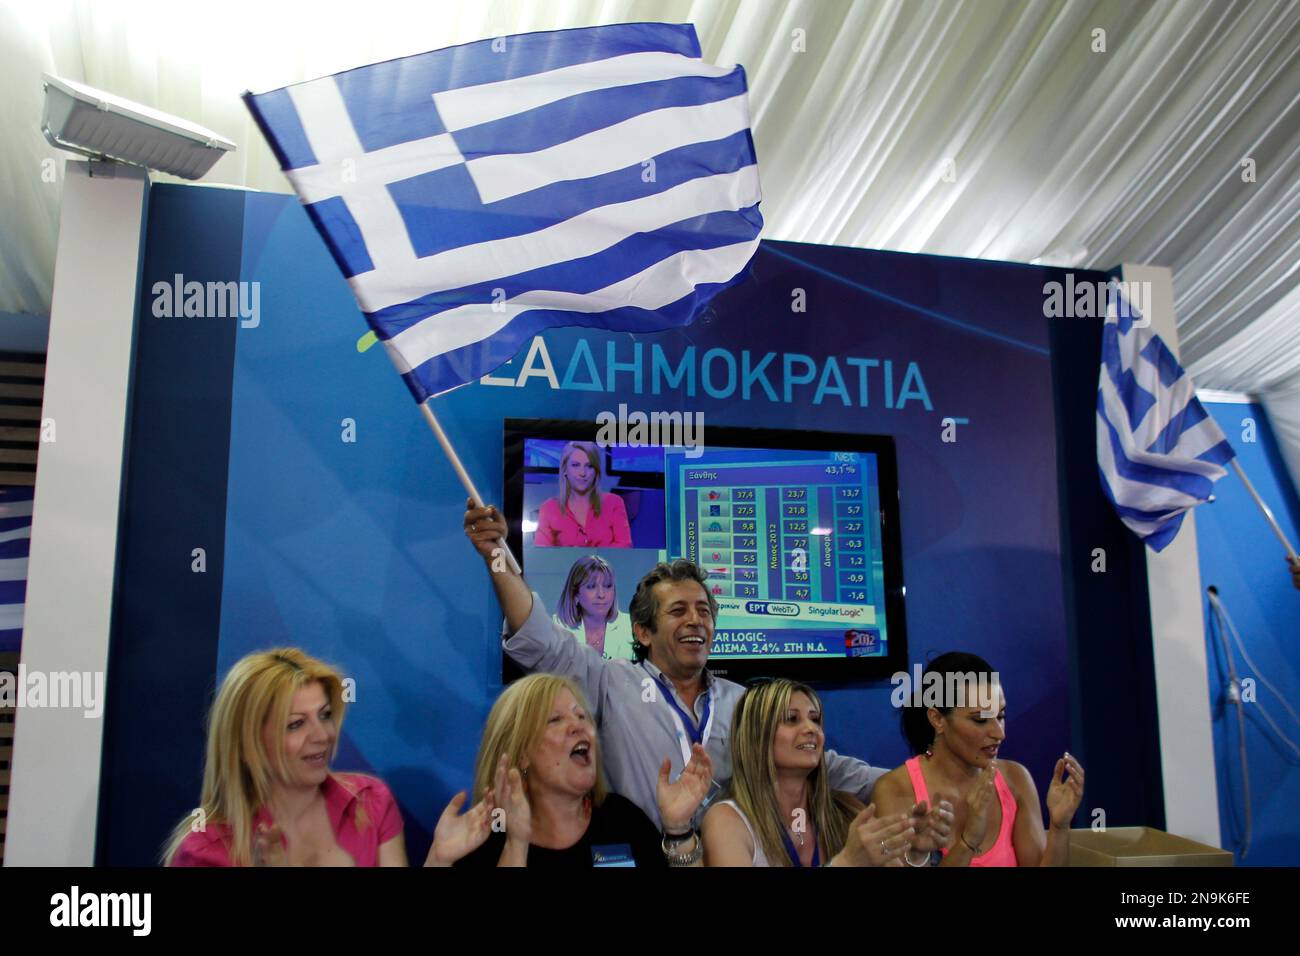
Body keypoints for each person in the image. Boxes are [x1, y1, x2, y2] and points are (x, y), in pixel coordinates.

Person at [463, 500, 949, 850]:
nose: (696, 621)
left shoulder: (744, 702)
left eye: (704, 611)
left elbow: (827, 764)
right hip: (641, 859)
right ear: (644, 631)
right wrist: (496, 556)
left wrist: (929, 784)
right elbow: (538, 635)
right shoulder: (610, 683)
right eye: (678, 611)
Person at [164, 648, 408, 867]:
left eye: (325, 715)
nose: (322, 735)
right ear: (246, 745)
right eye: (296, 724)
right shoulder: (205, 852)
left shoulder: (370, 801)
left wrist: (438, 859)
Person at [451, 673, 713, 867]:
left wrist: (678, 828)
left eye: (581, 716)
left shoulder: (622, 818)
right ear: (520, 755)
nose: (579, 726)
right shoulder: (487, 836)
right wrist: (516, 845)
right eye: (555, 719)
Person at [871, 652, 1085, 867]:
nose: (999, 734)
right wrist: (968, 841)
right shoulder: (894, 790)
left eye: (1000, 716)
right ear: (937, 719)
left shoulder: (1016, 778)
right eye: (980, 720)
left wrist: (1059, 826)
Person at [702, 678, 938, 866]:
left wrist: (917, 855)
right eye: (791, 719)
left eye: (815, 720)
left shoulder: (848, 811)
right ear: (756, 736)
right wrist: (846, 863)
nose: (810, 729)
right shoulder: (727, 821)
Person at [534, 441, 632, 548]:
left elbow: (625, 546)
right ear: (565, 470)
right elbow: (542, 554)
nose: (583, 473)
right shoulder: (549, 508)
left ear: (596, 471)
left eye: (589, 466)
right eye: (575, 465)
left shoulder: (614, 503)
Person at [554, 555, 635, 660]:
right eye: (591, 586)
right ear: (575, 594)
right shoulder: (558, 628)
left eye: (607, 586)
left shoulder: (630, 626)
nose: (601, 594)